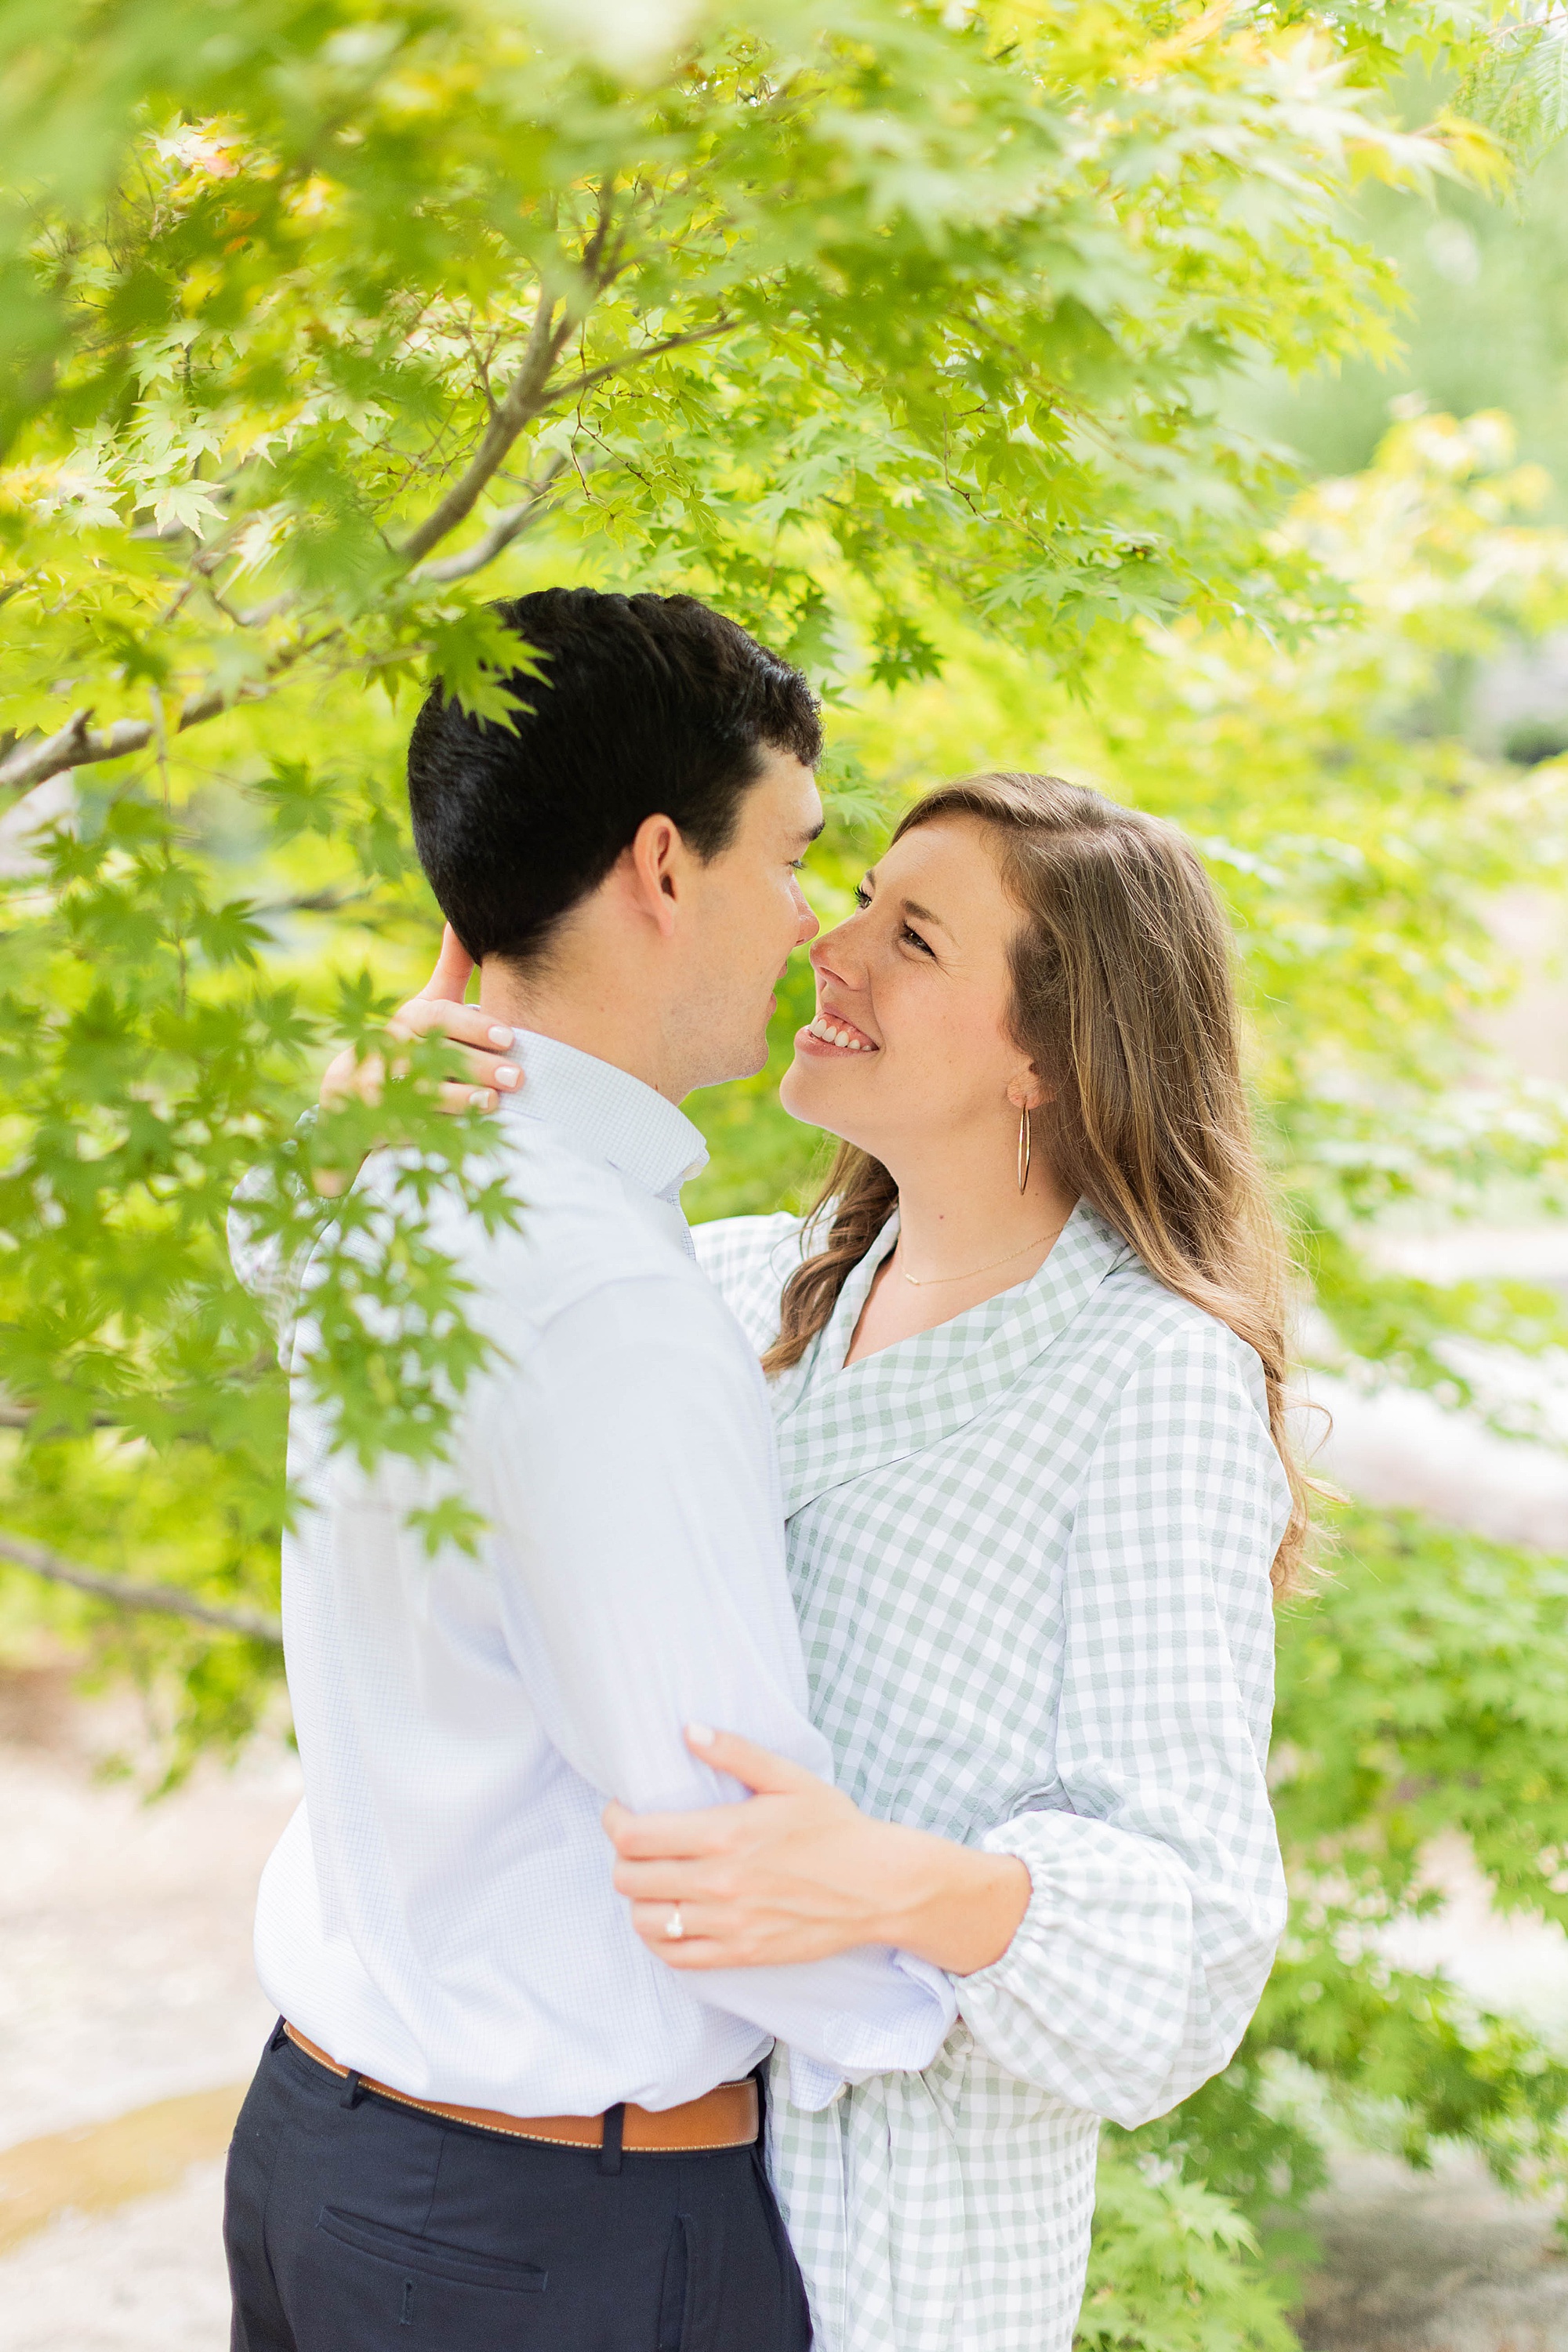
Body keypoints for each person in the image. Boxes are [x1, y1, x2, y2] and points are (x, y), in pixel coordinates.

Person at [394, 767, 1302, 2352]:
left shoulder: (1150, 1376)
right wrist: (381, 1158)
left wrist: (889, 1881)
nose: (835, 946)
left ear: (1048, 1053)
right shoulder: (733, 1290)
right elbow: (364, 1411)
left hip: (898, 2243)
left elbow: (1192, 1938)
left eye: (916, 938)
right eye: (857, 898)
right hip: (619, 2181)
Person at [221, 588, 957, 2352]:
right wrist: (965, 1978)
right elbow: (724, 1846)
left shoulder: (377, 1171)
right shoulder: (608, 1295)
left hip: (329, 2149)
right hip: (547, 2232)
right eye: (793, 860)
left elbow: (266, 1245)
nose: (810, 929)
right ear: (658, 866)